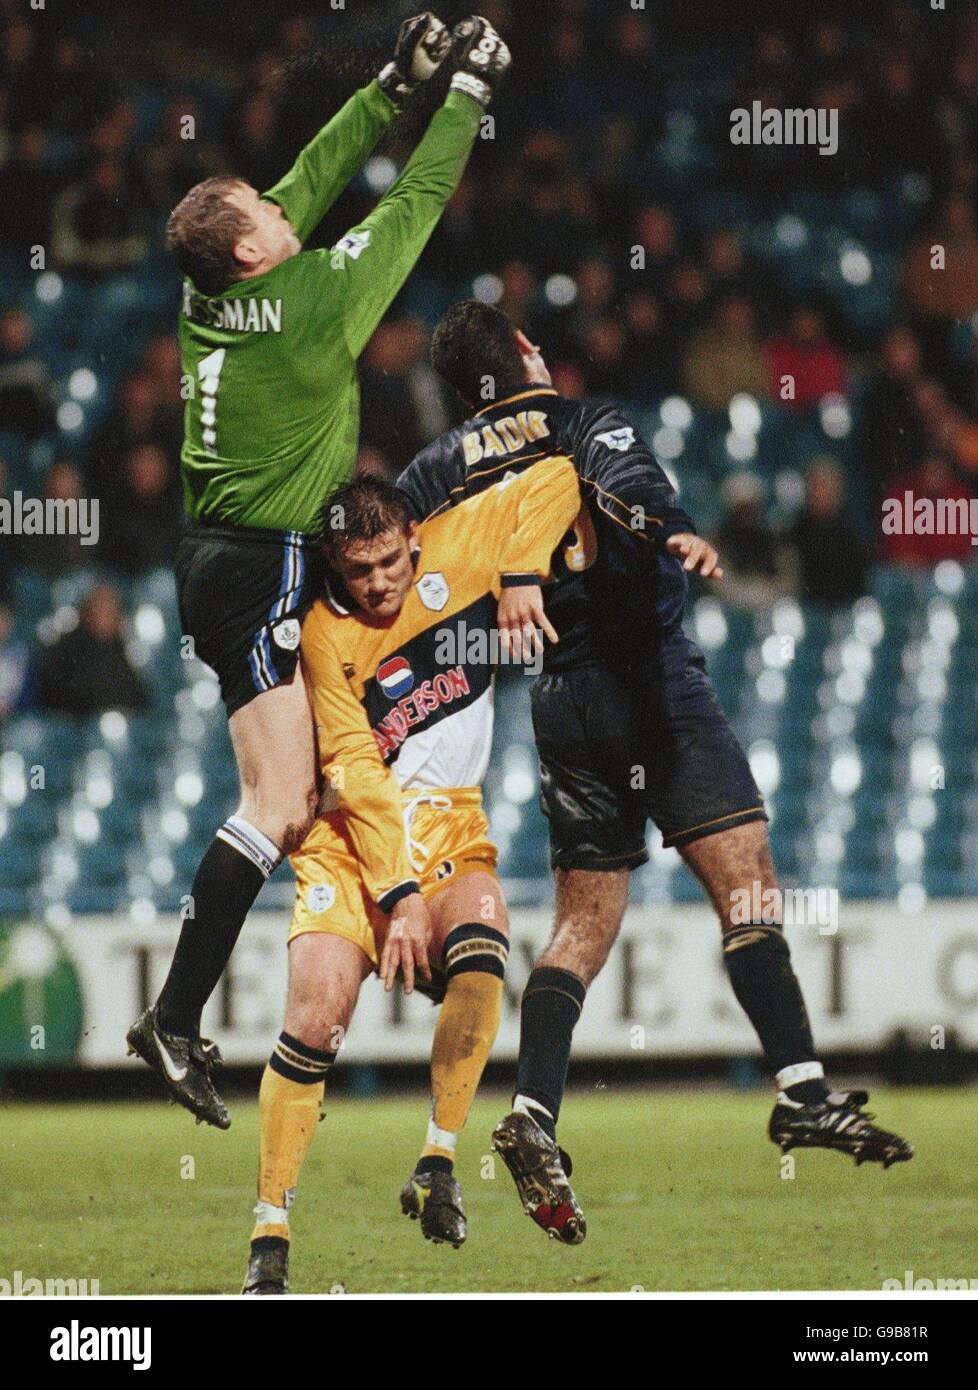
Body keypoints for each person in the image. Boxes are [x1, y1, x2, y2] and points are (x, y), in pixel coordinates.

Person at [397, 299, 914, 1245]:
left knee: (582, 924)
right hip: (650, 683)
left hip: (559, 700)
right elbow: (625, 482)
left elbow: (393, 573)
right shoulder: (582, 418)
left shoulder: (433, 470)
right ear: (522, 351)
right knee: (748, 884)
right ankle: (800, 1089)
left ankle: (536, 1113)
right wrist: (672, 526)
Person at [126, 15, 512, 1129]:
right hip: (256, 566)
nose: (278, 206)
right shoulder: (311, 309)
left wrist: (396, 81)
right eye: (262, 211)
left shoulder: (212, 291)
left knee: (302, 789)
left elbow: (308, 184)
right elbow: (411, 207)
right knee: (282, 799)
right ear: (252, 249)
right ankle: (175, 1012)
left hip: (217, 549)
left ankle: (194, 1008)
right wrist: (466, 98)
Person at [242, 458, 581, 1293]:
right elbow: (355, 766)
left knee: (484, 944)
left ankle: (437, 1159)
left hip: (453, 822)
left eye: (392, 562)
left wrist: (518, 571)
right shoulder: (323, 634)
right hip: (349, 838)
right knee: (317, 1017)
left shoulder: (466, 544)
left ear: (414, 538)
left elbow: (562, 476)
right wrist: (396, 898)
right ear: (334, 566)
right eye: (359, 571)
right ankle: (270, 1235)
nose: (381, 582)